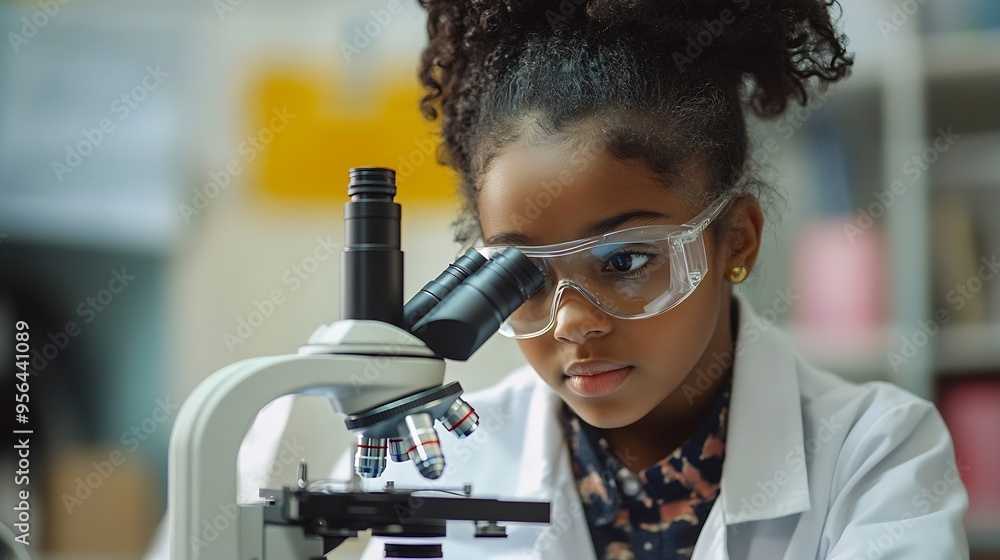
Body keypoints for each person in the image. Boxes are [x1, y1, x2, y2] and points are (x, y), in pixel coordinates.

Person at [332, 1, 969, 559]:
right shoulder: (437, 461)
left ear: (736, 239)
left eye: (626, 261)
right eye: (522, 275)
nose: (574, 321)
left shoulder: (874, 456)